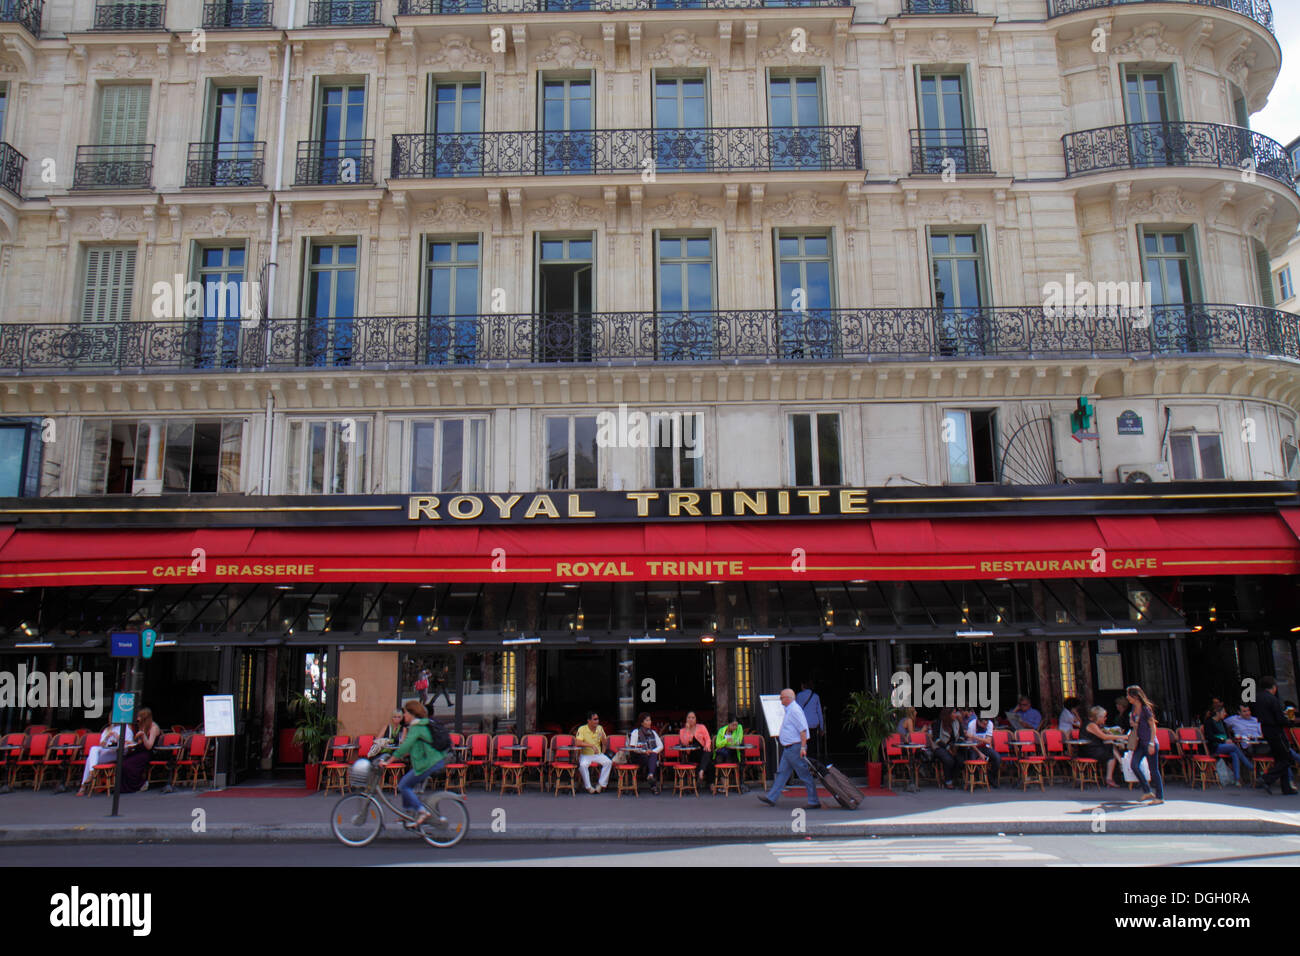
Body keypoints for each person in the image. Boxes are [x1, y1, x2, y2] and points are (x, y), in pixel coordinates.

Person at [385, 700, 448, 827]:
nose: (404, 716)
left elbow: (406, 745)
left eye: (406, 713)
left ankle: (422, 812)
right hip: (431, 762)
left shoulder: (417, 727)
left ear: (412, 714)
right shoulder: (421, 725)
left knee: (403, 785)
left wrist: (390, 760)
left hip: (429, 763)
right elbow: (414, 746)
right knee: (406, 783)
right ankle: (408, 813)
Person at [757, 688, 821, 810]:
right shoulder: (790, 710)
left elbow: (803, 729)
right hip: (789, 748)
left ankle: (813, 800)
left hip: (794, 748)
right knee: (782, 773)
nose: (780, 699)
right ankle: (772, 797)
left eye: (781, 697)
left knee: (804, 774)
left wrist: (803, 747)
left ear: (788, 698)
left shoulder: (795, 711)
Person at [1255, 676, 1299, 795]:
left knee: (1279, 758)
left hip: (1265, 729)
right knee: (1287, 758)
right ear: (1273, 687)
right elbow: (1279, 717)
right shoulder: (1272, 699)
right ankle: (1266, 778)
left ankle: (1286, 787)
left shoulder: (1258, 698)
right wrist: (1290, 721)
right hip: (1276, 730)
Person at [1126, 685, 1162, 804]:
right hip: (1140, 742)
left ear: (1135, 696)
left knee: (1153, 769)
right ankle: (1147, 790)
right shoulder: (1133, 708)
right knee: (1134, 765)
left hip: (1149, 741)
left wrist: (1152, 742)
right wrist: (1133, 722)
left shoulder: (1146, 709)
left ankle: (1159, 796)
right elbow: (1134, 722)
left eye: (1129, 695)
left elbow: (1152, 726)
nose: (1127, 697)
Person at [77, 722, 134, 796]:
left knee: (89, 759)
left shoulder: (126, 729)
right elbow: (101, 745)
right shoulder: (107, 729)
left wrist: (119, 738)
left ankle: (83, 786)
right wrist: (107, 737)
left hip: (118, 753)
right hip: (108, 751)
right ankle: (91, 773)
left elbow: (129, 745)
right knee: (93, 751)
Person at [1203, 704, 1249, 786]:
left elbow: (1227, 735)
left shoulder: (1223, 723)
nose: (1225, 714)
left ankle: (1237, 780)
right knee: (1234, 747)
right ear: (1218, 713)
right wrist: (1223, 740)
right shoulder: (1209, 722)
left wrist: (1228, 740)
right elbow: (1210, 737)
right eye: (1223, 712)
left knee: (1234, 754)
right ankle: (1248, 765)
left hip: (1225, 746)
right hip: (1216, 746)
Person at [1082, 705, 1126, 787]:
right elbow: (1104, 737)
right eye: (1104, 717)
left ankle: (1121, 763)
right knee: (1111, 755)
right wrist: (1122, 736)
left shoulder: (1097, 725)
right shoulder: (1091, 725)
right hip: (1090, 750)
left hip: (1096, 748)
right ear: (1098, 717)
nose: (1105, 719)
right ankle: (1111, 776)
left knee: (1110, 746)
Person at [119, 708, 161, 794]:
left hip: (147, 752)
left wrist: (143, 735)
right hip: (140, 750)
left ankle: (140, 784)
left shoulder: (153, 728)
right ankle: (123, 787)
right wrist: (131, 742)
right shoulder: (142, 726)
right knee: (123, 761)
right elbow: (139, 742)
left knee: (129, 765)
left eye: (139, 717)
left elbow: (149, 746)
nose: (137, 719)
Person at [575, 710, 612, 793]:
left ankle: (601, 784)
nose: (597, 721)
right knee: (583, 765)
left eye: (597, 719)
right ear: (589, 721)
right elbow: (577, 742)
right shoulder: (582, 729)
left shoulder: (600, 728)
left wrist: (603, 738)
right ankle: (588, 787)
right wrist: (591, 745)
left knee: (608, 762)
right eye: (595, 719)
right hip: (585, 755)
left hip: (597, 754)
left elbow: (605, 743)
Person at [628, 712, 664, 794]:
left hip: (649, 756)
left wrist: (652, 751)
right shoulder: (636, 732)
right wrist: (644, 751)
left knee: (653, 756)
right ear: (642, 722)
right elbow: (633, 747)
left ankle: (650, 775)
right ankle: (653, 785)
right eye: (647, 720)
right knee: (652, 759)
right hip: (638, 756)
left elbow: (661, 746)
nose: (649, 722)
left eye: (650, 720)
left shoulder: (653, 733)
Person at [930, 707, 964, 789]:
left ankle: (954, 778)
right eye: (954, 713)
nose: (955, 715)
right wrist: (947, 747)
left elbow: (962, 736)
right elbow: (936, 739)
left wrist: (956, 745)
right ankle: (948, 781)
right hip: (940, 746)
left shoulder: (957, 722)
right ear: (948, 714)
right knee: (949, 760)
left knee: (960, 760)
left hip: (954, 746)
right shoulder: (938, 723)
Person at [966, 712, 1000, 787]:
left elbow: (988, 741)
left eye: (986, 724)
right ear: (978, 721)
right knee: (973, 759)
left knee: (997, 758)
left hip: (985, 747)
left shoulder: (990, 724)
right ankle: (975, 780)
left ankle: (991, 777)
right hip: (974, 747)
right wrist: (979, 753)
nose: (985, 726)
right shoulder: (972, 725)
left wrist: (974, 737)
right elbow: (970, 742)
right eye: (983, 724)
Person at [678, 710, 713, 782]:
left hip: (702, 752)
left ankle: (701, 771)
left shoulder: (702, 727)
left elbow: (708, 739)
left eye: (693, 717)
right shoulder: (682, 731)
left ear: (696, 719)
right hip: (691, 754)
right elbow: (685, 743)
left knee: (708, 756)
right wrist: (687, 730)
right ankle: (705, 775)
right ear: (686, 719)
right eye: (689, 718)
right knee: (709, 762)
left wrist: (707, 745)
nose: (691, 719)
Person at [714, 716, 746, 791]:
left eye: (736, 725)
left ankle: (732, 784)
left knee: (732, 758)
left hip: (734, 752)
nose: (735, 727)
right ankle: (725, 783)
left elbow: (739, 740)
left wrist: (730, 742)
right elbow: (718, 744)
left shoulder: (739, 728)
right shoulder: (721, 731)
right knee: (720, 759)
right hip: (723, 753)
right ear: (728, 724)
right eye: (733, 725)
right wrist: (726, 740)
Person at [796, 680, 825, 758]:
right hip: (813, 724)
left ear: (803, 686)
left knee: (803, 745)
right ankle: (812, 762)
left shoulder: (799, 696)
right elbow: (819, 712)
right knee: (812, 746)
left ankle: (805, 761)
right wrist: (822, 727)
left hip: (803, 724)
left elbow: (796, 711)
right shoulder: (816, 696)